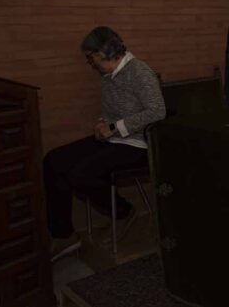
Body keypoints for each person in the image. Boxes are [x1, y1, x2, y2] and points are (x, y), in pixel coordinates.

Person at [44, 26, 165, 260]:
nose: (90, 62)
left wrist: (114, 128)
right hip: (114, 139)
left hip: (137, 144)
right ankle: (62, 235)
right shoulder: (108, 77)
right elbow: (110, 112)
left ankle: (123, 212)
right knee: (53, 161)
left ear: (103, 52)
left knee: (79, 175)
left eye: (91, 57)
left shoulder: (139, 71)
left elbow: (157, 111)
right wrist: (102, 125)